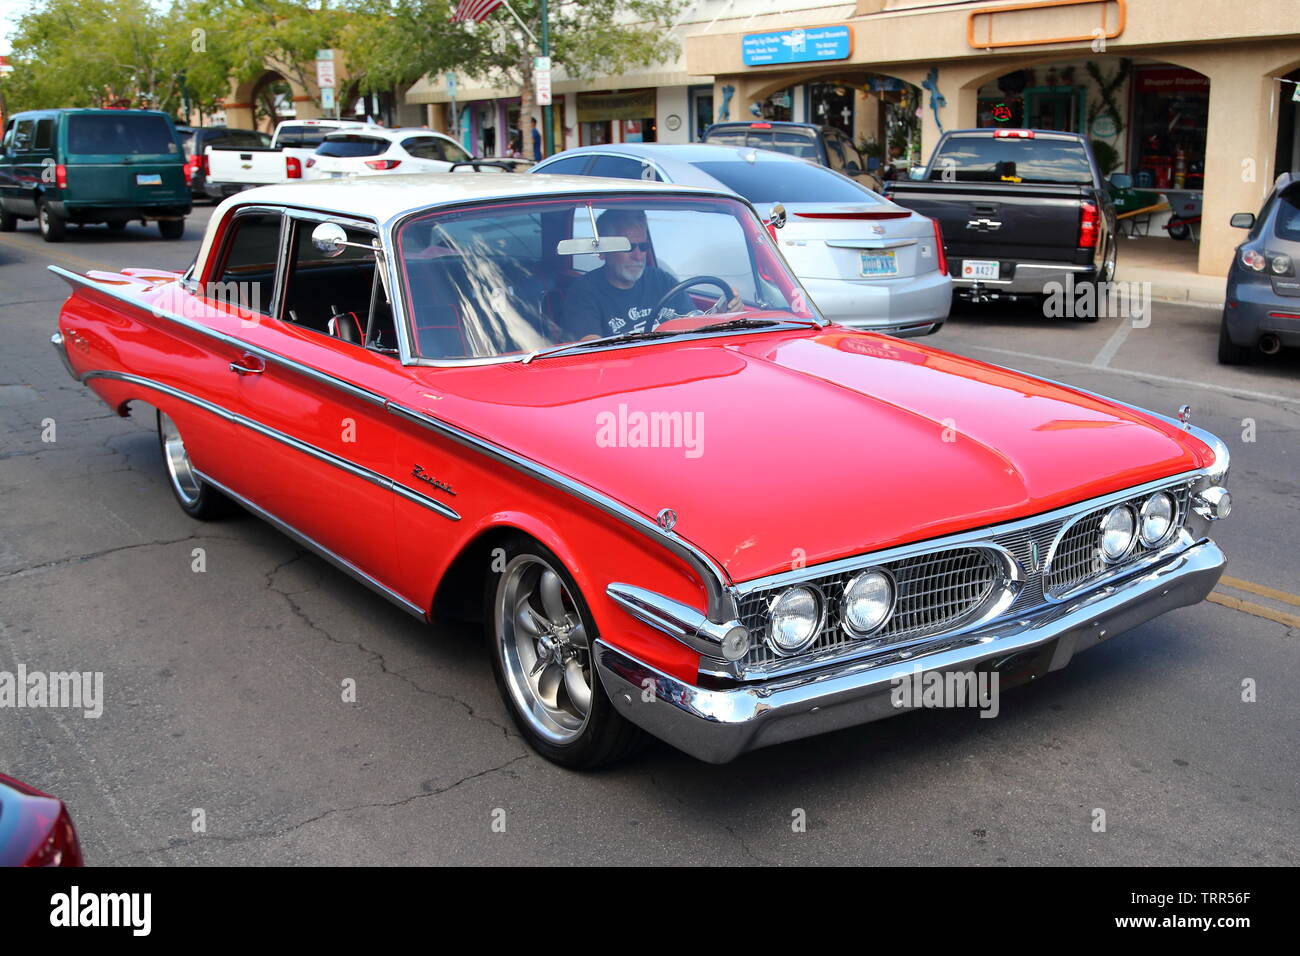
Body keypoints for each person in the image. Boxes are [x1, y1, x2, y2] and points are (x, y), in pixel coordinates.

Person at [559, 209, 740, 340]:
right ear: (603, 252)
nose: (638, 255)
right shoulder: (584, 292)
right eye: (629, 247)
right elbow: (591, 349)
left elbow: (693, 325)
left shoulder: (662, 280)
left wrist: (722, 314)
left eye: (643, 247)